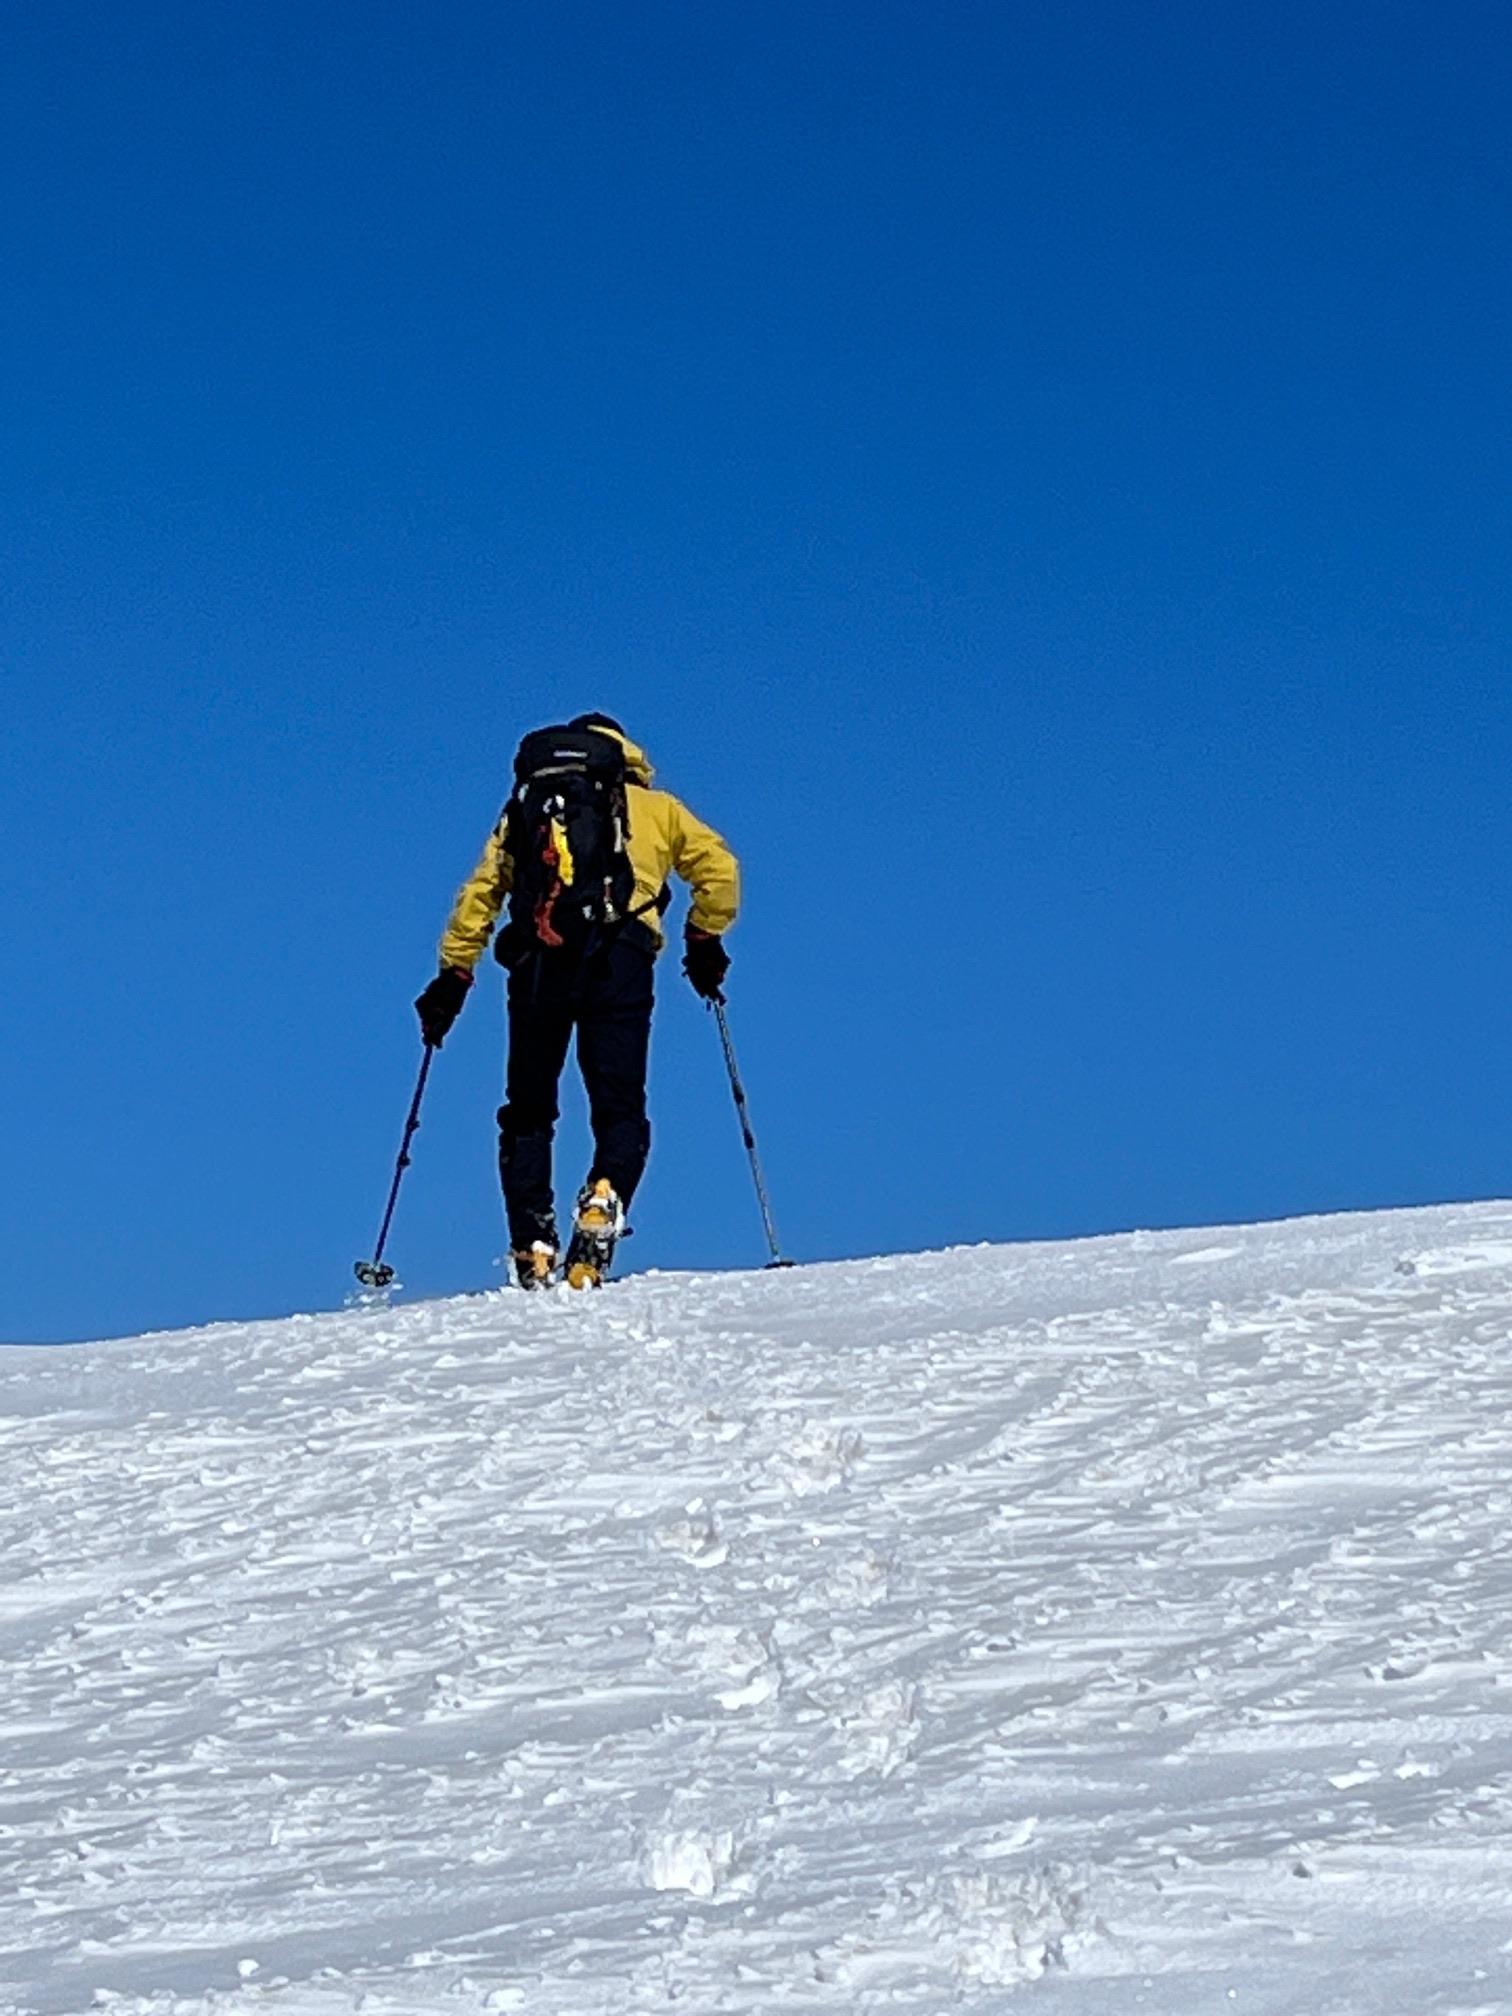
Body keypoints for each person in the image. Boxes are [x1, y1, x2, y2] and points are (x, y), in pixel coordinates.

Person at [414, 714, 739, 1289]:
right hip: (622, 959)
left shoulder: (526, 809)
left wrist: (453, 977)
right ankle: (604, 1196)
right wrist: (703, 938)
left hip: (539, 966)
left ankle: (531, 1244)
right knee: (618, 1106)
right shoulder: (655, 808)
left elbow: (481, 893)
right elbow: (719, 869)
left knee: (529, 1109)